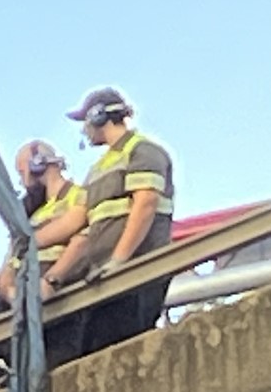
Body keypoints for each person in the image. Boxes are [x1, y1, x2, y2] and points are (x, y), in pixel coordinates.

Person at [41, 87, 177, 365]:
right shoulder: (99, 168)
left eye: (85, 121)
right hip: (102, 277)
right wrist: (29, 241)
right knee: (95, 354)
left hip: (136, 272)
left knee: (126, 353)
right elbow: (75, 219)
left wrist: (119, 260)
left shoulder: (142, 151)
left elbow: (146, 204)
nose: (84, 129)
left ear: (99, 115)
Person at [0, 140, 88, 326]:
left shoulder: (77, 195)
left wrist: (26, 241)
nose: (23, 181)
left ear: (38, 164)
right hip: (24, 291)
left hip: (56, 287)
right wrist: (11, 293)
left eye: (22, 172)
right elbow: (7, 268)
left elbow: (73, 223)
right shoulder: (31, 215)